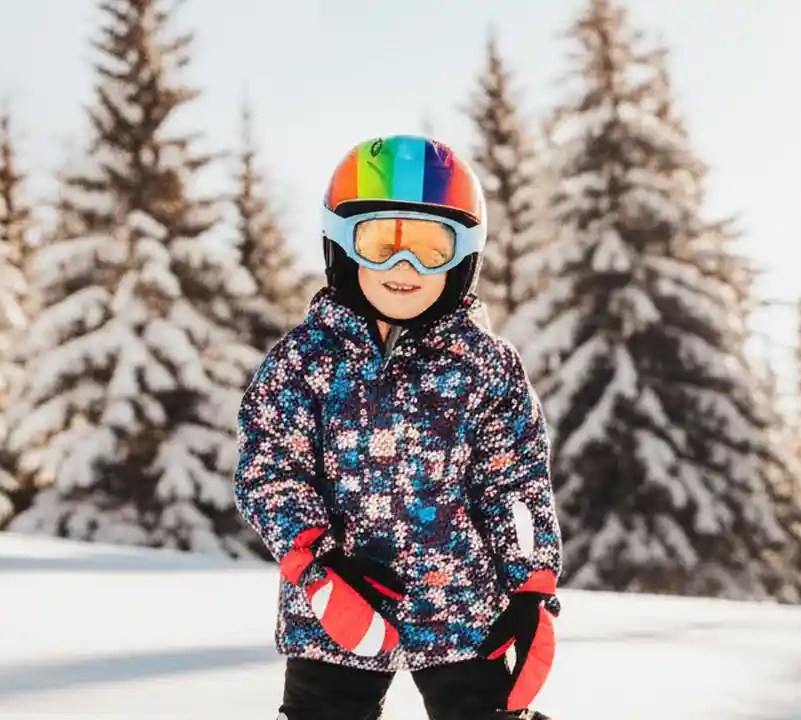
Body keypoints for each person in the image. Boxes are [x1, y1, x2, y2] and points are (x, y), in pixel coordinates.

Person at [234, 135, 563, 720]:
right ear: (342, 246)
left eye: (430, 247)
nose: (403, 266)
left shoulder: (485, 366)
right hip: (338, 599)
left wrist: (531, 582)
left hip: (460, 607)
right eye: (381, 242)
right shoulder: (304, 360)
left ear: (464, 256)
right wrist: (314, 563)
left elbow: (514, 486)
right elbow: (269, 471)